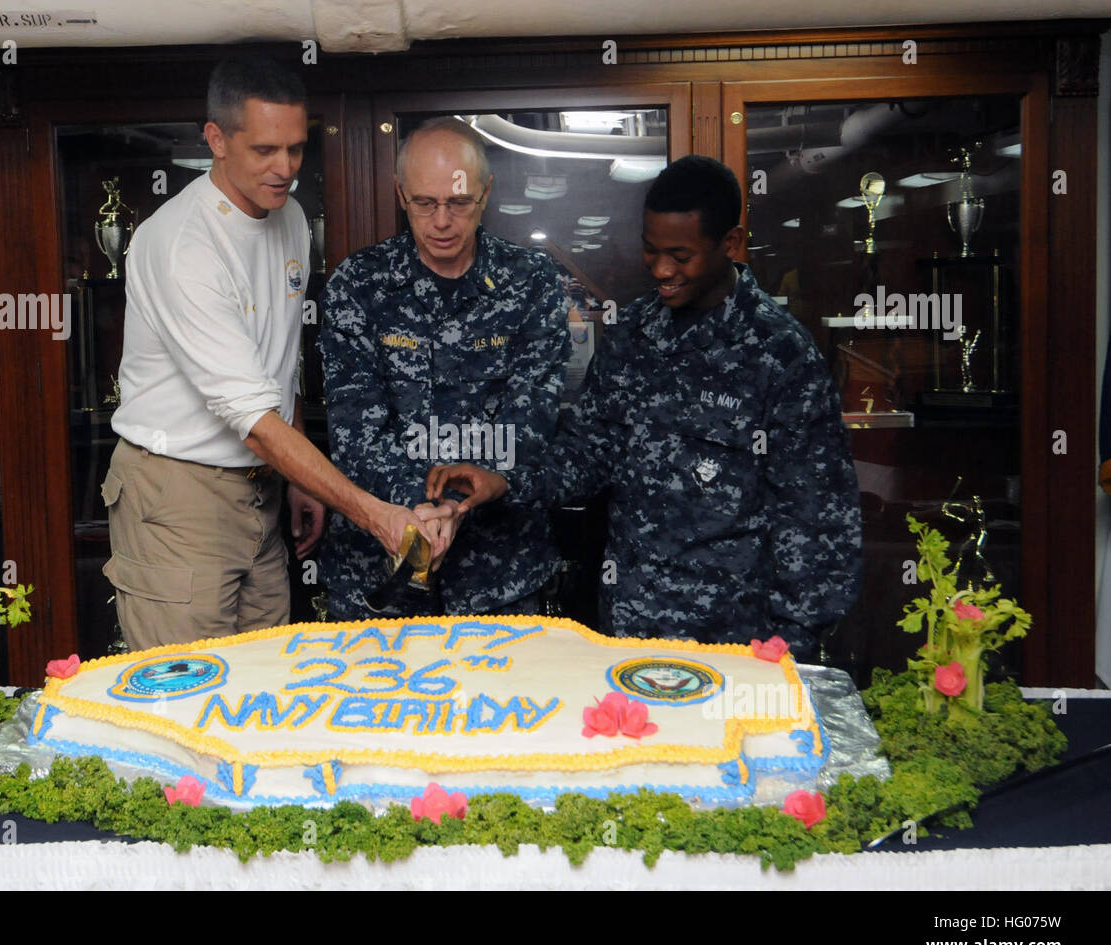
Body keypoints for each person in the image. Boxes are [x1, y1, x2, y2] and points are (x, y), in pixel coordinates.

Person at [428, 155, 861, 659]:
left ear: (731, 244)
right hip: (631, 628)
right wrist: (505, 480)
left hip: (737, 643)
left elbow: (817, 518)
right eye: (650, 250)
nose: (660, 270)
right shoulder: (633, 335)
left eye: (680, 255)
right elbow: (589, 451)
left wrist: (795, 647)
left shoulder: (779, 354)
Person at [103, 55, 442, 653]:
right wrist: (376, 515)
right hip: (179, 496)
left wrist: (300, 481)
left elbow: (278, 365)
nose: (284, 168)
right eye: (264, 150)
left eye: (295, 148)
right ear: (217, 140)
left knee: (263, 684)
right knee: (188, 698)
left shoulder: (288, 217)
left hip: (263, 490)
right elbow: (251, 419)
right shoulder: (183, 245)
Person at [317, 116, 570, 619]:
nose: (441, 222)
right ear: (399, 193)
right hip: (381, 573)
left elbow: (533, 416)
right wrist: (422, 507)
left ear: (486, 192)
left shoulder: (531, 282)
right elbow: (355, 431)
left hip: (500, 575)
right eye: (425, 203)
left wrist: (459, 501)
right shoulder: (359, 286)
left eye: (459, 203)